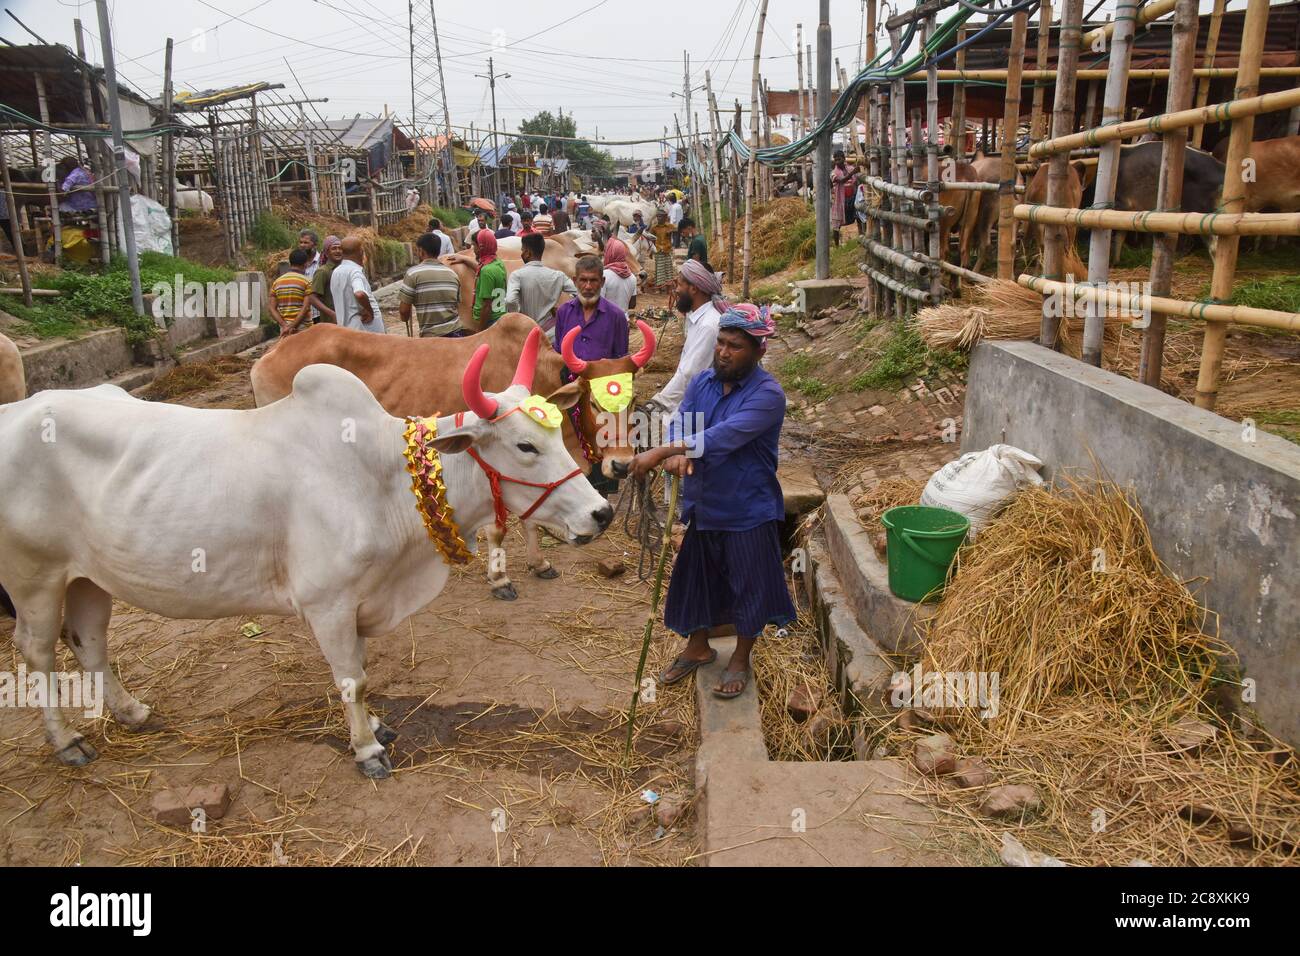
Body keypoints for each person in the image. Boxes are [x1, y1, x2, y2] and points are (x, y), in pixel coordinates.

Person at [627, 305, 793, 699]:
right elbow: (684, 419)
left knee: (749, 585)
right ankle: (698, 647)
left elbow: (721, 437)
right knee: (695, 579)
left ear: (759, 352)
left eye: (735, 346)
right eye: (720, 342)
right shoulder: (702, 381)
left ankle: (740, 659)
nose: (723, 351)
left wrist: (661, 452)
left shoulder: (768, 397)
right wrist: (679, 451)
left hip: (746, 508)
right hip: (703, 503)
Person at [645, 259, 725, 417]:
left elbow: (689, 374)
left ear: (694, 289)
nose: (676, 290)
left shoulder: (708, 325)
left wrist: (658, 405)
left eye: (679, 285)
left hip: (701, 409)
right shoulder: (696, 318)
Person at [551, 255, 629, 366]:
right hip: (568, 381)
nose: (588, 286)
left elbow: (621, 360)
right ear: (575, 281)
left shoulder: (617, 316)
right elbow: (558, 352)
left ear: (602, 282)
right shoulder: (563, 312)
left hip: (602, 381)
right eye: (583, 280)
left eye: (593, 280)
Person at [505, 232, 579, 340]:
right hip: (551, 332)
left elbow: (510, 301)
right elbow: (579, 293)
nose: (521, 253)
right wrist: (564, 309)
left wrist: (517, 318)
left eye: (522, 250)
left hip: (527, 332)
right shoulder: (557, 275)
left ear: (527, 253)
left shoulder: (517, 275)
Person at [399, 233, 463, 337]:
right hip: (456, 333)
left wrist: (404, 318)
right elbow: (457, 305)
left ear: (421, 251)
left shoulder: (412, 274)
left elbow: (404, 311)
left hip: (431, 337)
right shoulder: (452, 274)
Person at [447, 229, 507, 329]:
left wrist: (481, 330)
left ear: (481, 247)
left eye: (474, 245)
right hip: (499, 314)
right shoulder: (497, 263)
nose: (473, 249)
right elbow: (482, 269)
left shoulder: (486, 271)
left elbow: (487, 306)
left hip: (490, 321)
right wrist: (465, 259)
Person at [330, 235, 386, 334]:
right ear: (360, 251)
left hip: (345, 329)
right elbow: (359, 294)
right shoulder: (355, 272)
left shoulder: (336, 272)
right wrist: (369, 311)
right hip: (365, 330)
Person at [270, 248, 318, 337]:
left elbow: (272, 308)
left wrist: (284, 326)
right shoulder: (307, 282)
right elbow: (306, 307)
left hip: (284, 329)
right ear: (306, 264)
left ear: (290, 263)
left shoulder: (277, 282)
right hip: (303, 328)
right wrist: (293, 326)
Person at [310, 235, 342, 323]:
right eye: (334, 248)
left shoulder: (344, 269)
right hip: (331, 322)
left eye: (340, 248)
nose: (338, 251)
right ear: (327, 253)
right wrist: (332, 314)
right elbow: (312, 298)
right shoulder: (323, 272)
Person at [830, 149, 860, 246]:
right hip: (840, 200)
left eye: (839, 159)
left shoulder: (850, 168)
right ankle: (837, 246)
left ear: (843, 159)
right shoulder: (834, 173)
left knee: (859, 217)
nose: (837, 162)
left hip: (852, 198)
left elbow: (857, 179)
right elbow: (841, 181)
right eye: (835, 160)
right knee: (836, 224)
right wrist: (852, 173)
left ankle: (861, 237)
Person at [601, 237, 638, 313]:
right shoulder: (632, 277)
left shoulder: (604, 275)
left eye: (606, 252)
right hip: (624, 320)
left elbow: (599, 303)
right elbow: (632, 305)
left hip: (607, 320)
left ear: (610, 254)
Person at [649, 210, 676, 291]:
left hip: (667, 250)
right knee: (660, 270)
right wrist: (651, 251)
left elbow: (677, 229)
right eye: (658, 216)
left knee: (668, 269)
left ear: (665, 217)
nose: (659, 218)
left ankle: (669, 288)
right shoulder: (654, 227)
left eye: (661, 216)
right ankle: (659, 288)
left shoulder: (669, 226)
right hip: (658, 250)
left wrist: (671, 231)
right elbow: (651, 240)